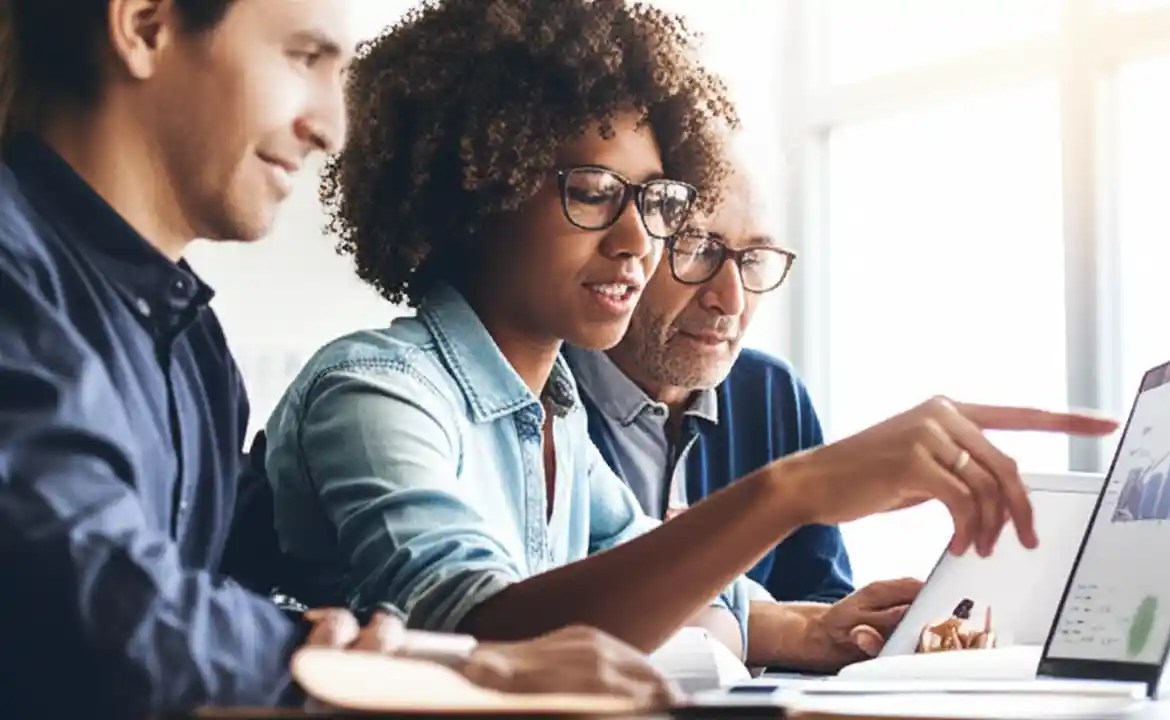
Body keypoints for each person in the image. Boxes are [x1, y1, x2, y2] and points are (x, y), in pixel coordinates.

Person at [262, 0, 1121, 676]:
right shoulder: (377, 388)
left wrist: (821, 628)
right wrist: (792, 491)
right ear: (476, 192)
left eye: (655, 201)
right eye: (595, 192)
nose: (639, 240)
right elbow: (486, 634)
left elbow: (638, 560)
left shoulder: (552, 408)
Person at [0, 1, 675, 716]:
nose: (332, 128)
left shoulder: (194, 351)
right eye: (303, 57)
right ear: (144, 25)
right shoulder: (17, 284)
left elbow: (213, 599)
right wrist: (470, 674)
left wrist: (375, 647)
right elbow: (95, 601)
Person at [564, 161, 854, 606]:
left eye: (754, 260)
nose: (730, 300)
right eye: (697, 249)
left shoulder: (770, 393)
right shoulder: (544, 392)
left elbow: (823, 603)